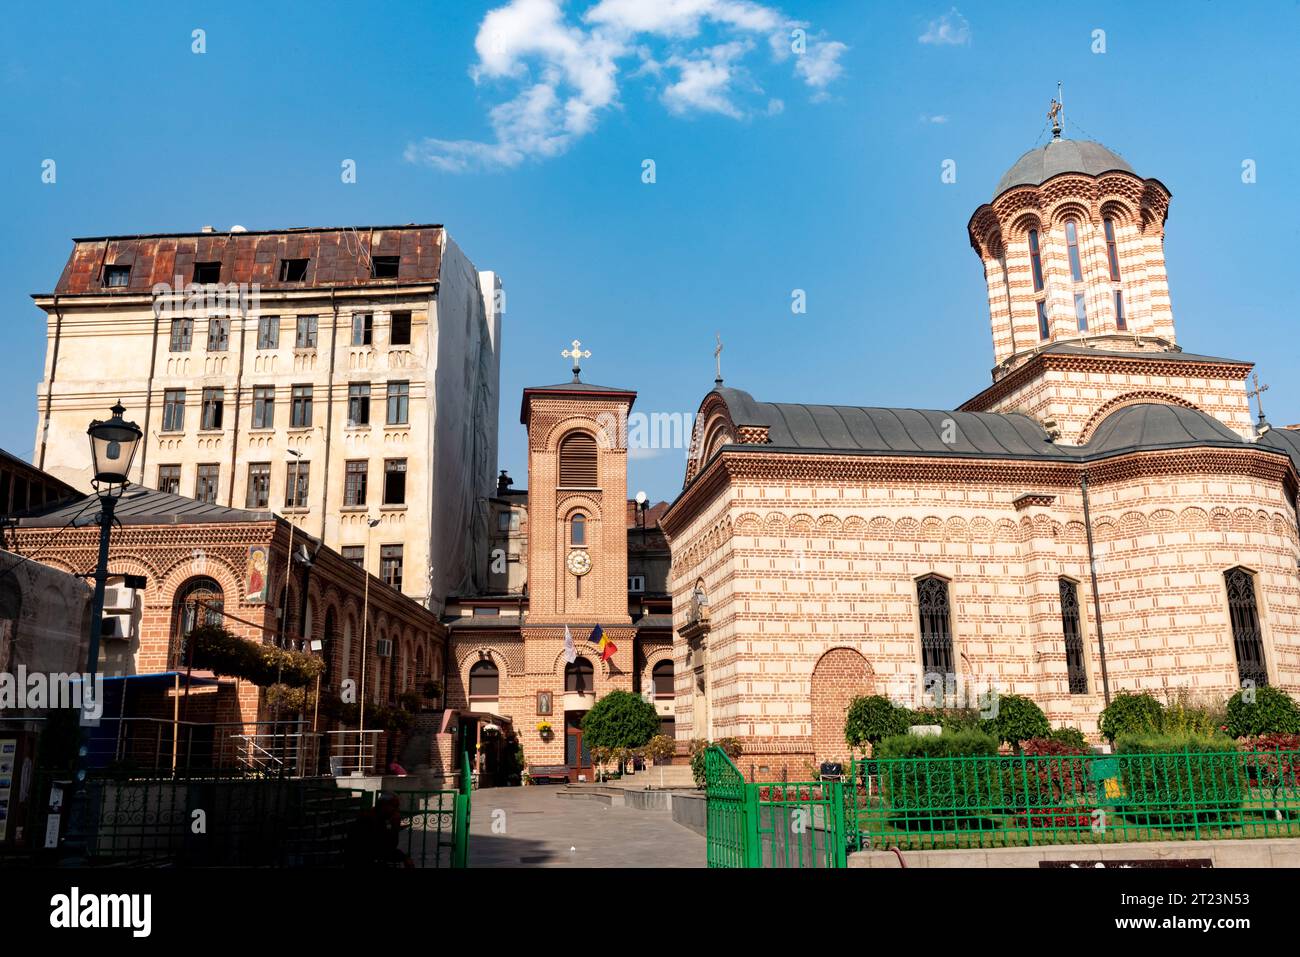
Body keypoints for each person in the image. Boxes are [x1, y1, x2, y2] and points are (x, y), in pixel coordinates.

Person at [345, 792, 413, 868]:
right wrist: (395, 828)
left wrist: (404, 857)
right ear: (384, 806)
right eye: (394, 806)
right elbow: (384, 850)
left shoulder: (379, 820)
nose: (396, 810)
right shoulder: (368, 820)